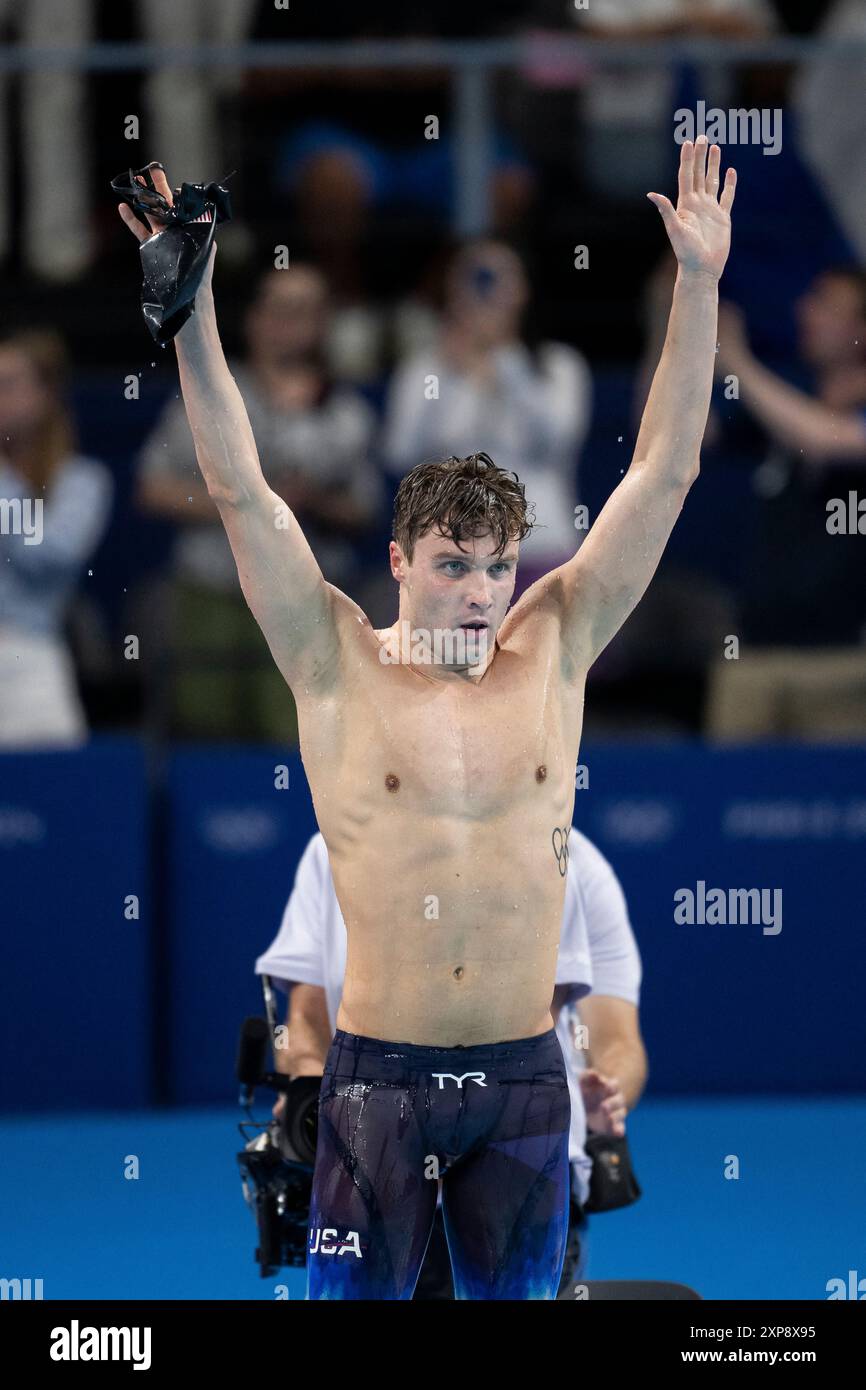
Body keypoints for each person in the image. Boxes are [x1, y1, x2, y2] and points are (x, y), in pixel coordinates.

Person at [118, 136, 734, 1298]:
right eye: (450, 565)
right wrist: (189, 315)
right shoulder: (333, 660)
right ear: (398, 558)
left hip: (517, 1085)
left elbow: (662, 472)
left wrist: (696, 284)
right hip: (374, 1087)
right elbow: (241, 489)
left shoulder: (553, 648)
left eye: (495, 568)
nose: (476, 592)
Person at [255, 825, 646, 1298]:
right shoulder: (335, 848)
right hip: (378, 1161)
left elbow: (618, 1042)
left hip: (522, 1159)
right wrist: (311, 1086)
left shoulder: (567, 858)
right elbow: (304, 1018)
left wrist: (603, 1092)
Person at [136, 264, 381, 742]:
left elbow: (365, 510)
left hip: (303, 598)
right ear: (255, 318)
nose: (289, 323)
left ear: (322, 324)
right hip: (212, 591)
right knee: (203, 733)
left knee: (297, 734)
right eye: (279, 308)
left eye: (304, 311)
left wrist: (314, 501)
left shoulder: (345, 412)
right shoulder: (205, 394)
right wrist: (238, 503)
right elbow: (153, 488)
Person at [382, 238, 592, 599]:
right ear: (452, 289)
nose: (485, 292)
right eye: (475, 279)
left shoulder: (558, 366)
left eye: (497, 279)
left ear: (522, 290)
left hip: (540, 547)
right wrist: (451, 372)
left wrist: (505, 361)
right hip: (451, 552)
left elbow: (558, 440)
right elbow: (398, 452)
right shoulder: (426, 370)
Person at [705, 267, 866, 739]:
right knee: (724, 798)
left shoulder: (799, 419)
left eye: (826, 304)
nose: (805, 312)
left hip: (844, 666)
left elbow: (823, 441)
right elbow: (680, 439)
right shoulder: (785, 408)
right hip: (753, 657)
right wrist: (673, 329)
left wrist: (734, 358)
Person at [0, 329, 113, 746]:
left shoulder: (82, 481)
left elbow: (52, 553)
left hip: (31, 657)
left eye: (8, 385)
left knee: (51, 795)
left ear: (46, 394)